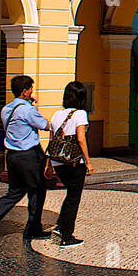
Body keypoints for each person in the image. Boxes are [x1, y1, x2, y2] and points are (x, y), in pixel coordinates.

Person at [0, 75, 50, 242]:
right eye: (30, 89)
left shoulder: (7, 109)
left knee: (15, 192)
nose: (32, 91)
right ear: (24, 91)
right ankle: (33, 228)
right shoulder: (27, 109)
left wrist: (29, 103)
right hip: (28, 156)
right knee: (37, 191)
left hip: (12, 156)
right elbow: (44, 125)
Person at [46, 81, 93, 246]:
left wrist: (49, 166)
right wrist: (87, 162)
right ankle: (67, 235)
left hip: (58, 161)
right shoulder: (80, 114)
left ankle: (60, 225)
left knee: (70, 194)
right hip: (73, 161)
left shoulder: (57, 114)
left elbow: (53, 140)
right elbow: (80, 139)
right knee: (74, 197)